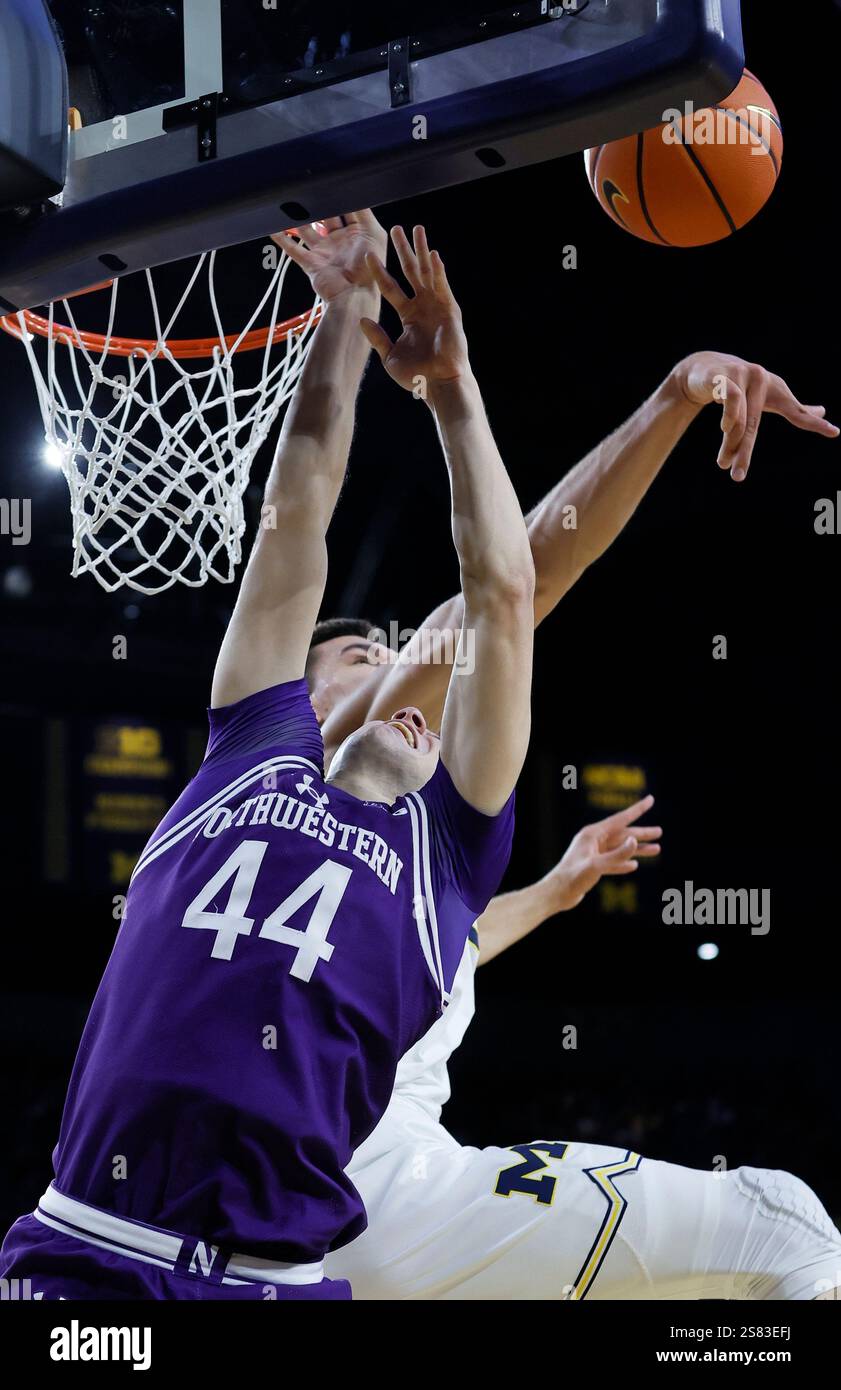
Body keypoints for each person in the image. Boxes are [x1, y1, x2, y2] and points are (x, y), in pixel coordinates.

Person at [0, 213, 535, 1300]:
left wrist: (453, 391)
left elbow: (503, 598)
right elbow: (297, 511)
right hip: (90, 1254)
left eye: (403, 664)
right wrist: (343, 311)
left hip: (272, 1283)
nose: (397, 683)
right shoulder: (252, 743)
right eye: (356, 655)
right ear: (302, 687)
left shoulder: (450, 851)